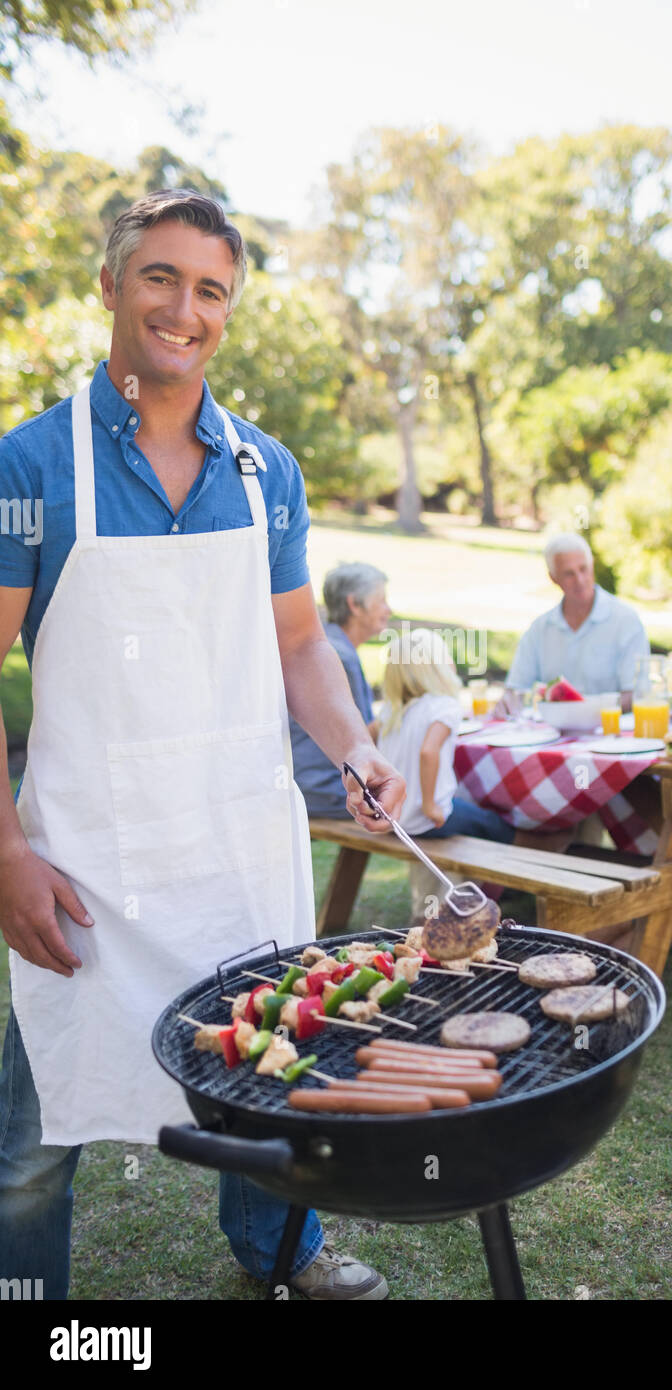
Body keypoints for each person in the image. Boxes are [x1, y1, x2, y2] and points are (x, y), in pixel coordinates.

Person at [0, 189, 405, 1301]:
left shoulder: (261, 469)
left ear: (229, 308)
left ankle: (283, 1251)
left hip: (234, 840)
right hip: (88, 860)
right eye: (160, 278)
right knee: (36, 1136)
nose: (185, 309)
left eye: (211, 289)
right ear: (112, 287)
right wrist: (6, 854)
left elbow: (296, 644)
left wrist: (355, 744)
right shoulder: (30, 467)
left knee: (276, 1074)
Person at [378, 628, 517, 842]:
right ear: (438, 668)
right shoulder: (445, 706)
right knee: (496, 825)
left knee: (471, 810)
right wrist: (429, 806)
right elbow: (428, 751)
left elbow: (367, 734)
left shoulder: (391, 710)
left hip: (393, 817)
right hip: (425, 821)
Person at [501, 534, 649, 709]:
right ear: (553, 578)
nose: (579, 580)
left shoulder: (626, 621)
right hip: (555, 732)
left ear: (592, 565)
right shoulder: (540, 629)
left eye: (583, 569)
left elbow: (636, 695)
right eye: (569, 574)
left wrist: (586, 710)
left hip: (610, 731)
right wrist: (506, 704)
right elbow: (515, 689)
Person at [290, 563, 390, 817]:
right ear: (355, 605)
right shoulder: (339, 657)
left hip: (306, 781)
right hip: (323, 787)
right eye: (381, 600)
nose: (389, 609)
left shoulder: (332, 645)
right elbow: (365, 736)